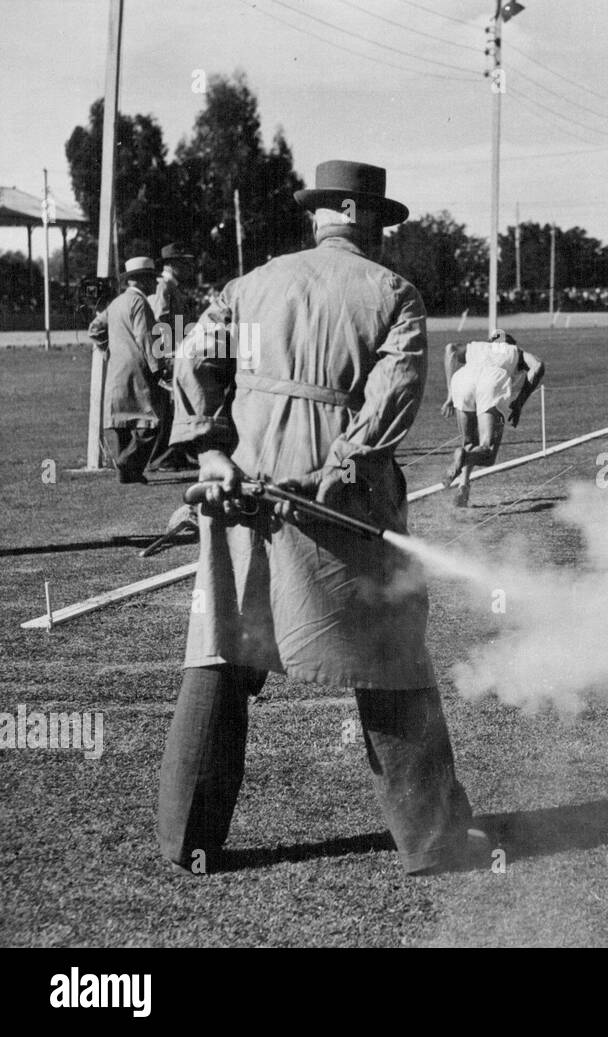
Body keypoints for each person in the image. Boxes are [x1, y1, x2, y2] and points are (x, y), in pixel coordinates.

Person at [160, 159, 486, 878]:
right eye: (381, 218)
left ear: (319, 216)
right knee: (393, 655)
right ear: (357, 214)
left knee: (223, 647)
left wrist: (214, 456)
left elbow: (192, 364)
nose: (385, 233)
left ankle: (188, 840)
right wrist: (337, 471)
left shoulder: (250, 287)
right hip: (342, 502)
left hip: (244, 492)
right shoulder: (394, 293)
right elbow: (390, 402)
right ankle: (432, 839)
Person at [441, 329, 546, 507]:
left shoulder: (477, 346)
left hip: (463, 380)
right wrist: (519, 402)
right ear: (510, 343)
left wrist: (450, 394)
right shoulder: (515, 352)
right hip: (492, 382)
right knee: (487, 451)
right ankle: (463, 459)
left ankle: (463, 487)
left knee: (468, 442)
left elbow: (450, 349)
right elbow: (538, 366)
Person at [88, 256, 165, 484]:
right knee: (153, 421)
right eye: (151, 279)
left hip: (116, 369)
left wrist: (108, 349)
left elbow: (94, 329)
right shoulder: (139, 303)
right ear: (141, 281)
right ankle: (127, 463)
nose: (155, 284)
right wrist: (159, 368)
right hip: (138, 370)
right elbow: (145, 337)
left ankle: (128, 474)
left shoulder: (117, 302)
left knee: (123, 423)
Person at [148, 243, 200, 472]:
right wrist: (171, 352)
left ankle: (175, 453)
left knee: (178, 404)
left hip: (177, 351)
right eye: (183, 262)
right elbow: (160, 319)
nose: (188, 266)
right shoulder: (164, 286)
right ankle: (166, 456)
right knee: (172, 405)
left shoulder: (171, 286)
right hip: (171, 354)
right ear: (171, 264)